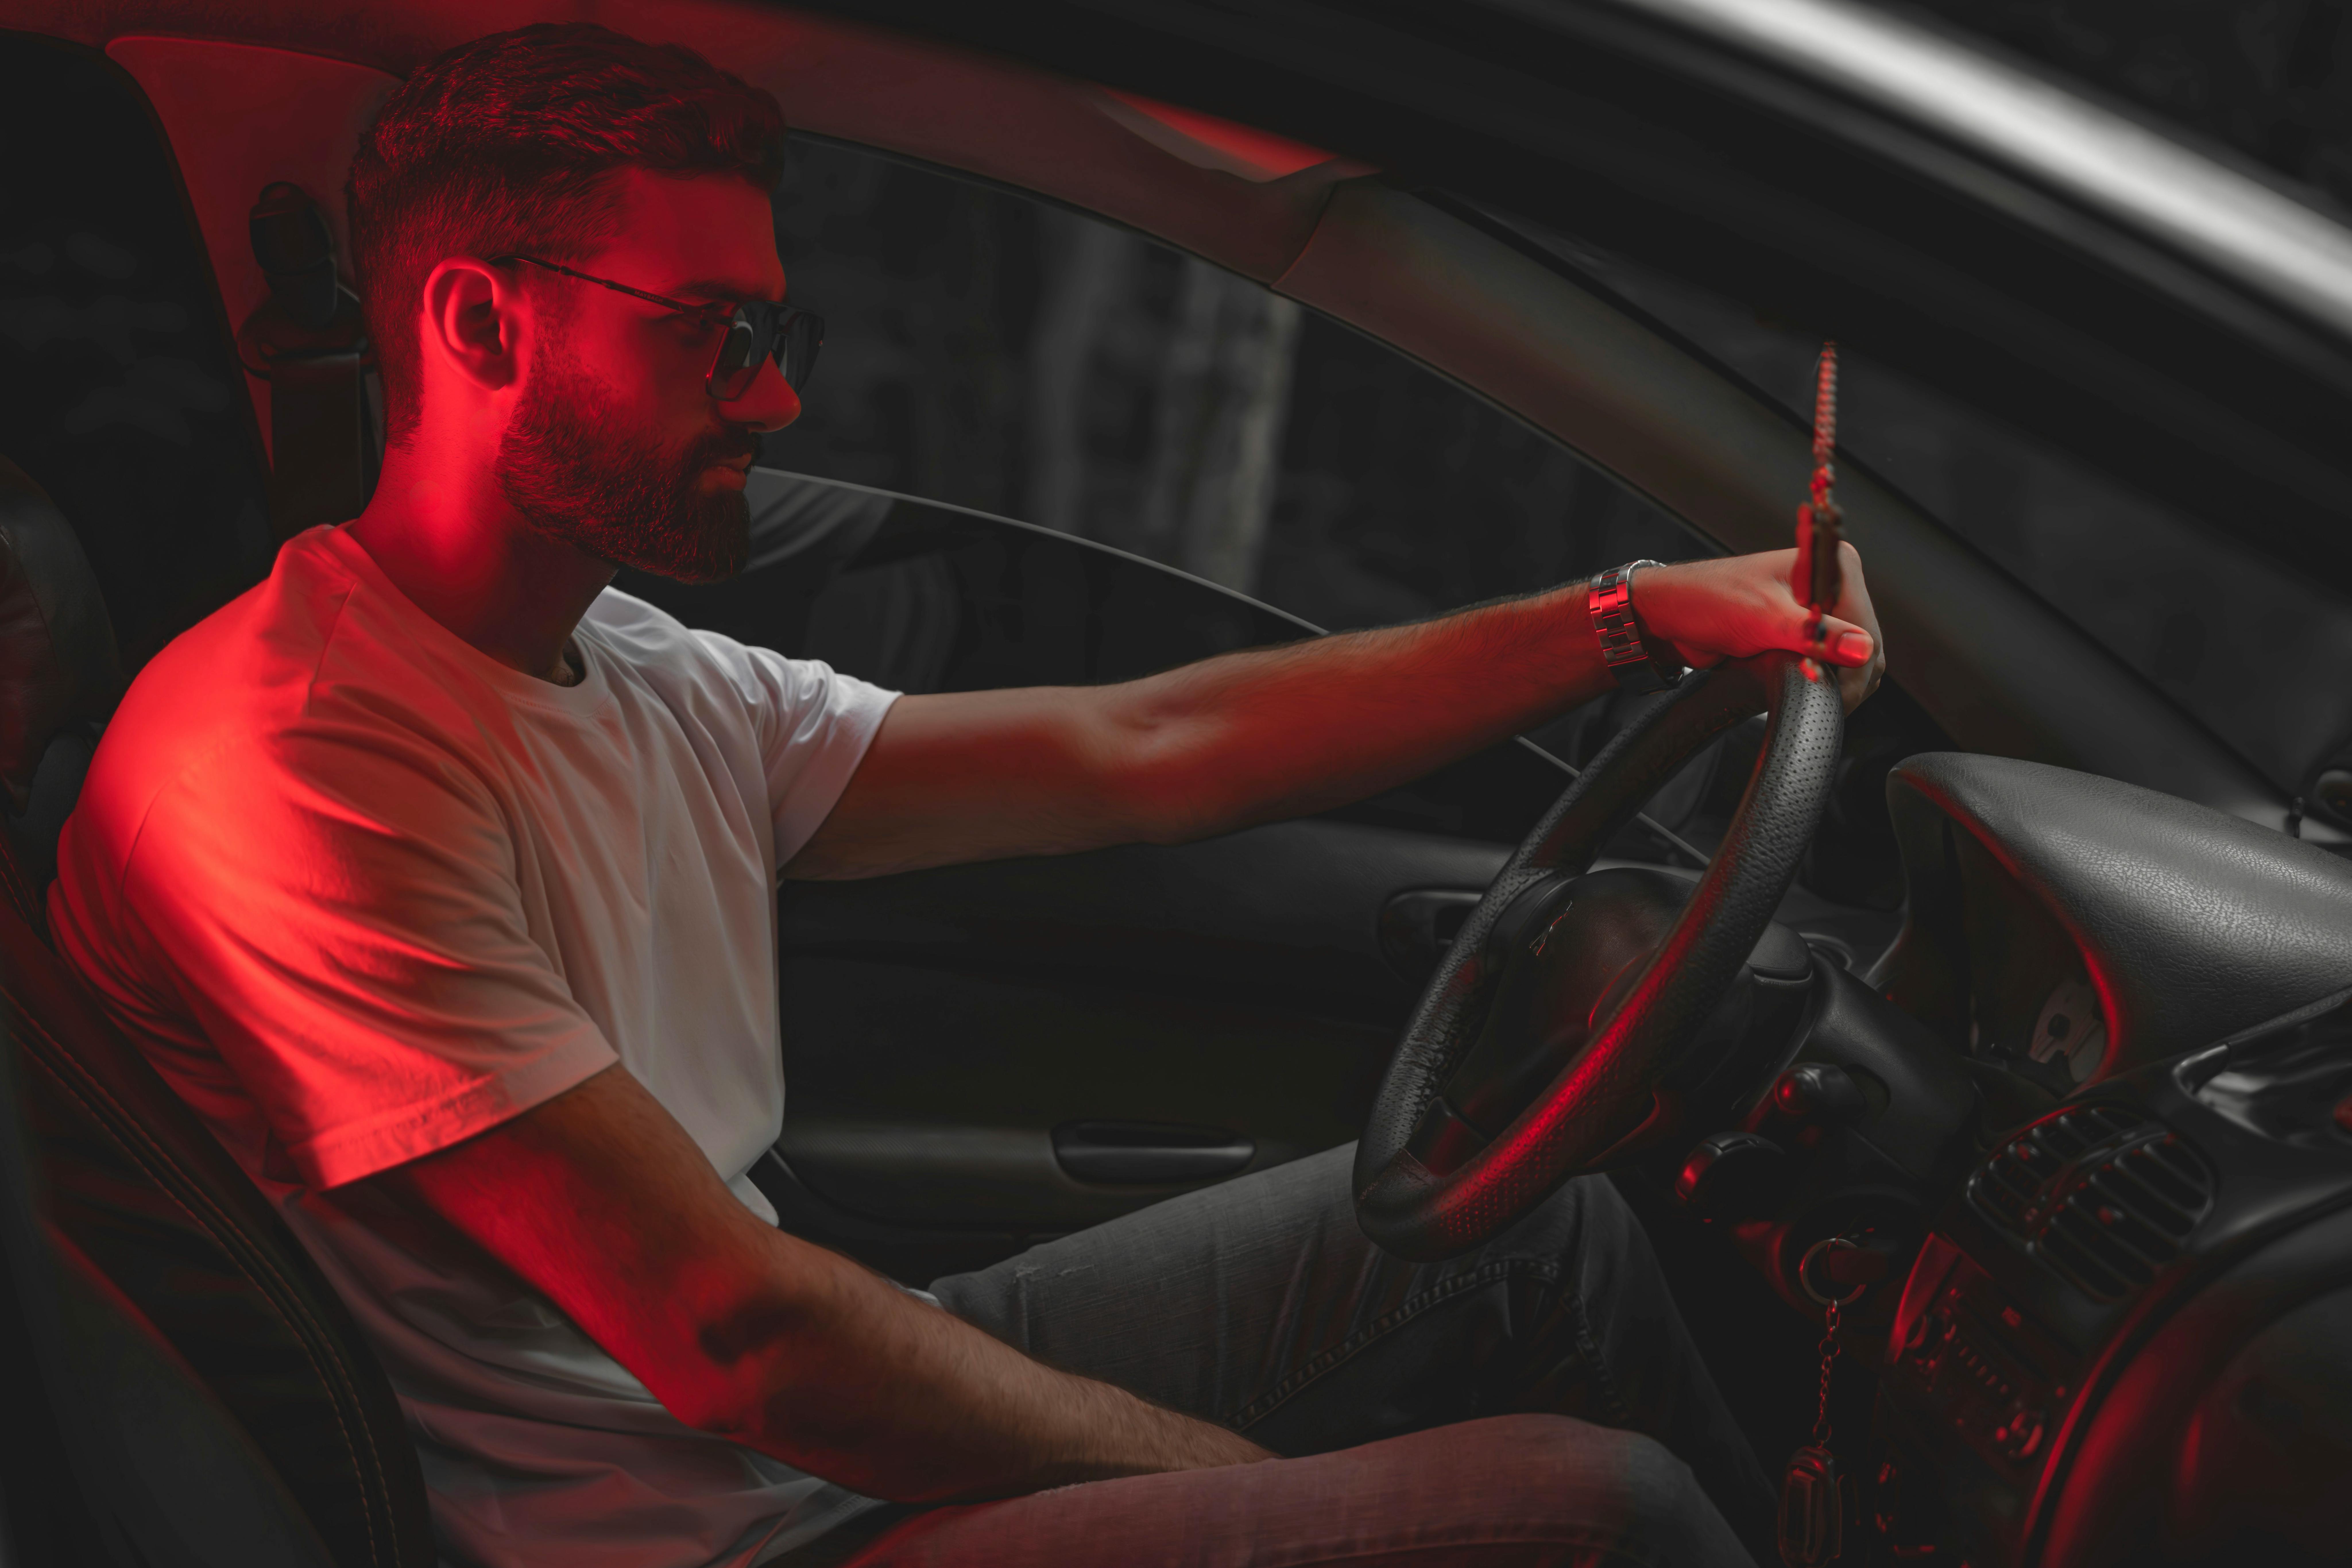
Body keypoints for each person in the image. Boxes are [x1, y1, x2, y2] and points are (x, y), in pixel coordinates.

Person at [49, 23, 1884, 1568]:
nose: (771, 405)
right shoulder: (283, 756)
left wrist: (1629, 622)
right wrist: (1251, 1498)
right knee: (1584, 1511)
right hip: (701, 1537)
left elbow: (1146, 749)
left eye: (778, 337)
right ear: (478, 326)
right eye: (714, 333)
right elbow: (731, 1330)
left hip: (791, 1424)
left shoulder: (638, 666)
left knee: (1544, 1232)